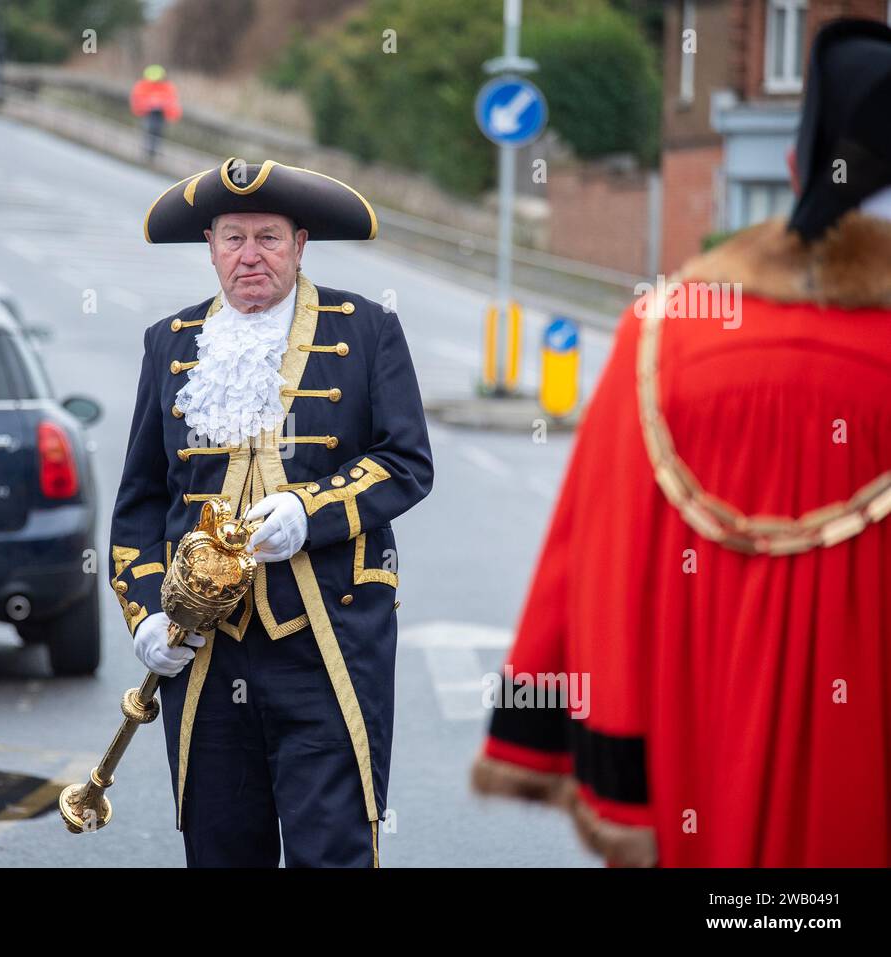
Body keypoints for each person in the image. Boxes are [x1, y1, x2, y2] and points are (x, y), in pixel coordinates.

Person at [470, 19, 891, 867]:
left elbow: (592, 555)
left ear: (794, 166)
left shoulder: (666, 334)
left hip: (691, 772)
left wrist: (569, 742)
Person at [110, 158, 433, 866]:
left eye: (268, 237)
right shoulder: (169, 341)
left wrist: (308, 509)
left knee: (333, 850)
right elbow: (140, 502)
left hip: (325, 645)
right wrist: (146, 618)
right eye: (233, 237)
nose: (249, 256)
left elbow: (406, 462)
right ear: (210, 246)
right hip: (205, 652)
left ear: (300, 244)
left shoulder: (368, 328)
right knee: (222, 848)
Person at [128, 65, 181, 162]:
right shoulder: (143, 86)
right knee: (149, 131)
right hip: (148, 114)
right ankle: (148, 153)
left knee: (157, 134)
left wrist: (170, 113)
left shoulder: (167, 87)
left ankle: (152, 154)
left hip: (161, 115)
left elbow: (172, 102)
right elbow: (138, 100)